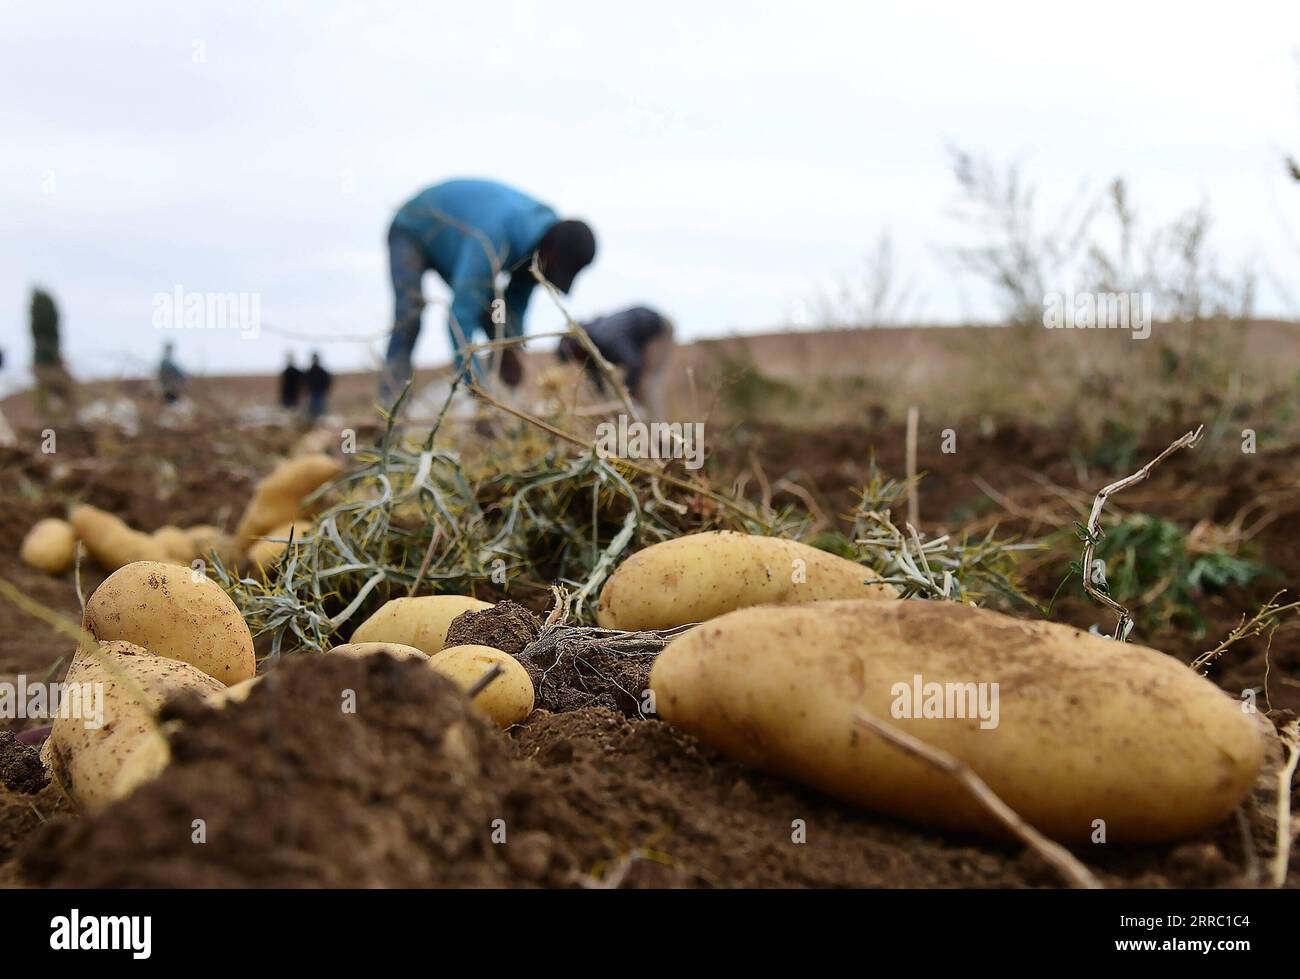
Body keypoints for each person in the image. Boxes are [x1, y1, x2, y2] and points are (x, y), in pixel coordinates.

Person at [381, 178, 597, 406]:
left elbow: (513, 310)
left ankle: (501, 403)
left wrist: (512, 350)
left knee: (497, 323)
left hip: (456, 247)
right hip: (412, 226)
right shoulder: (495, 235)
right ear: (550, 255)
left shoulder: (539, 249)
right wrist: (478, 391)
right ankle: (392, 408)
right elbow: (460, 317)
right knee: (409, 313)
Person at [557, 306, 676, 417]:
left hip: (657, 329)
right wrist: (608, 407)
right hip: (638, 342)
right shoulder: (589, 354)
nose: (577, 362)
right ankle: (640, 426)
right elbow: (598, 385)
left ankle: (659, 432)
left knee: (647, 382)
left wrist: (625, 396)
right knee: (633, 392)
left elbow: (635, 364)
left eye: (573, 357)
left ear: (578, 346)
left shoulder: (606, 337)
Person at [305, 351, 332, 420]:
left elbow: (327, 381)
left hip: (320, 393)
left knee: (320, 412)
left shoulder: (321, 371)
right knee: (312, 412)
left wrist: (326, 389)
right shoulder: (310, 371)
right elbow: (306, 382)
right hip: (312, 393)